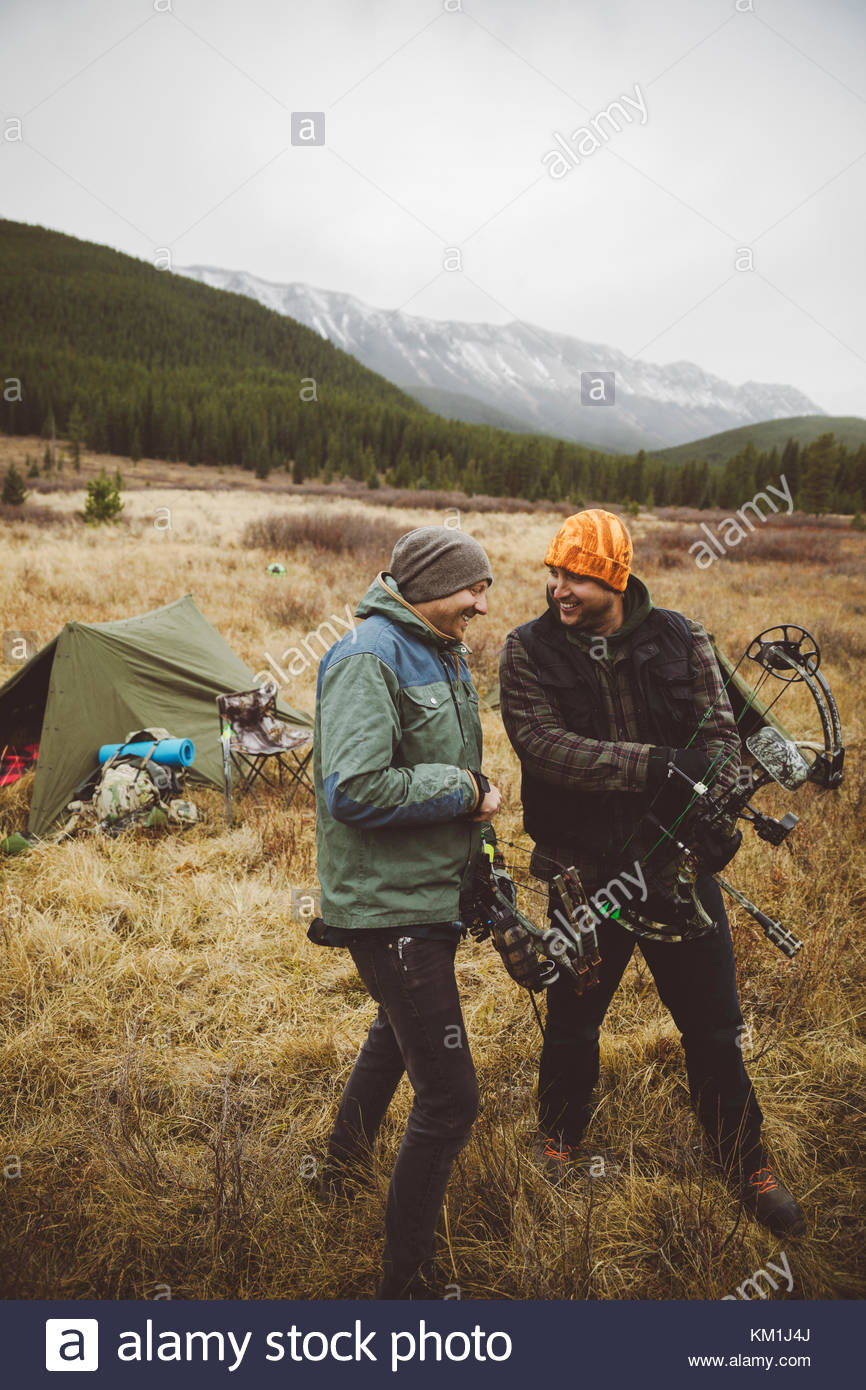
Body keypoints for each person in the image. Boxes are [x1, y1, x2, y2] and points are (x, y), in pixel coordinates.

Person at [498, 508, 804, 1235]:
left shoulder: (681, 637)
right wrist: (657, 764)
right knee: (572, 1023)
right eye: (553, 572)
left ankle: (745, 1164)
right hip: (584, 873)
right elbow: (544, 747)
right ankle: (560, 1142)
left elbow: (725, 741)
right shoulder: (527, 650)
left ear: (614, 576)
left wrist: (707, 803)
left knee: (713, 1029)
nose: (558, 588)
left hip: (680, 870)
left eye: (574, 575)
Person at [310, 525, 502, 1298]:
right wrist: (467, 792)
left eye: (485, 589)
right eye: (472, 590)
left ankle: (336, 1172)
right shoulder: (370, 656)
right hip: (389, 910)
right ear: (425, 587)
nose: (482, 606)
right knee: (451, 1098)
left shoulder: (439, 648)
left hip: (427, 891)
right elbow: (353, 788)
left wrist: (478, 856)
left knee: (395, 1030)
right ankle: (406, 1282)